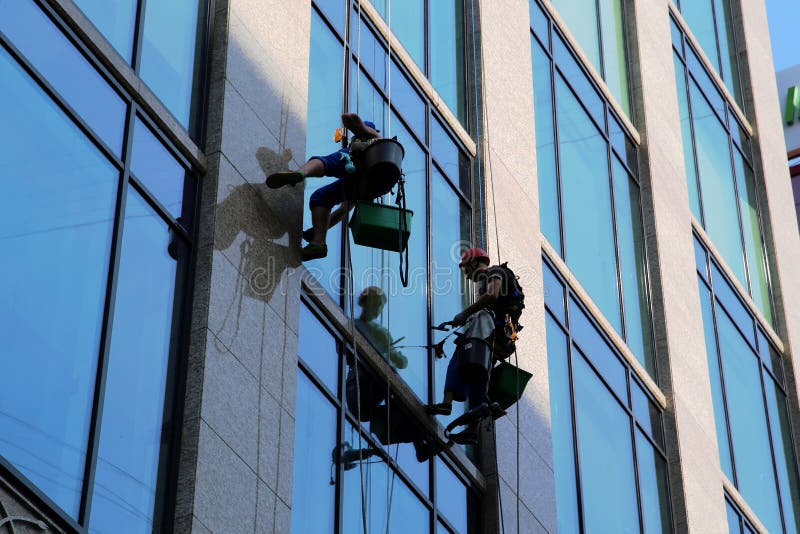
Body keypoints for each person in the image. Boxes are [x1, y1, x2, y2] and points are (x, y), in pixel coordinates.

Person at [425, 247, 525, 445]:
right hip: (500, 336)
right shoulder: (489, 281)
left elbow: (492, 295)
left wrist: (465, 313)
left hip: (492, 329)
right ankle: (471, 430)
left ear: (474, 262)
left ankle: (447, 403)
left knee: (464, 355)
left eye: (465, 268)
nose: (466, 275)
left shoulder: (495, 272)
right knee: (478, 374)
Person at [266, 112, 389, 261]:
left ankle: (301, 173)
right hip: (368, 185)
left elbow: (374, 137)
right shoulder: (384, 154)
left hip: (362, 160)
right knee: (322, 197)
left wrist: (363, 131)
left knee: (327, 162)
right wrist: (320, 228)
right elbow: (343, 211)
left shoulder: (365, 145)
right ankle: (318, 243)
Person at [354, 286, 407, 370]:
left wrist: (394, 354)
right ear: (365, 303)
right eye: (376, 303)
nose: (378, 309)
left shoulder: (381, 331)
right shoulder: (353, 325)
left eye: (381, 306)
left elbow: (401, 363)